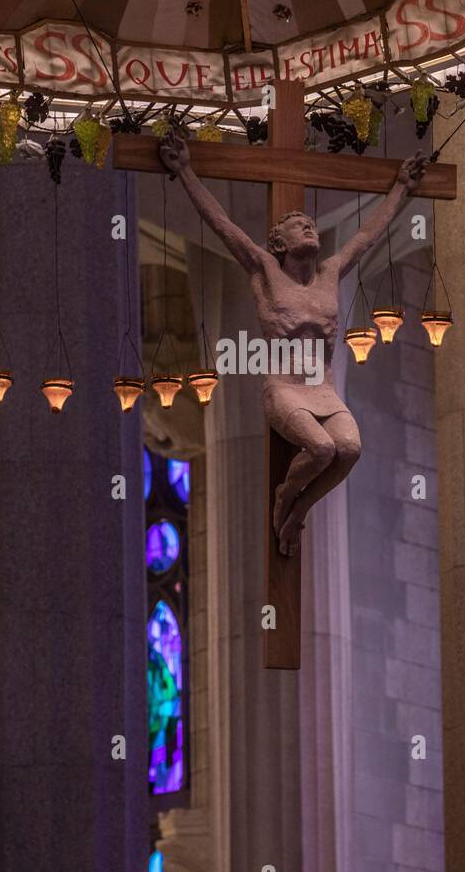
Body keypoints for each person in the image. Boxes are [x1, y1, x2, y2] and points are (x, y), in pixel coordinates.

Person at [159, 128, 424, 555]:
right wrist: (186, 170)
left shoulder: (331, 271)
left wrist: (400, 189)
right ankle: (286, 499)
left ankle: (298, 511)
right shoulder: (265, 268)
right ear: (279, 243)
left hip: (324, 389)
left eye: (311, 224)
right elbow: (222, 223)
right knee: (320, 448)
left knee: (350, 449)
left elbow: (368, 235)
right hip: (284, 389)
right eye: (300, 226)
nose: (310, 227)